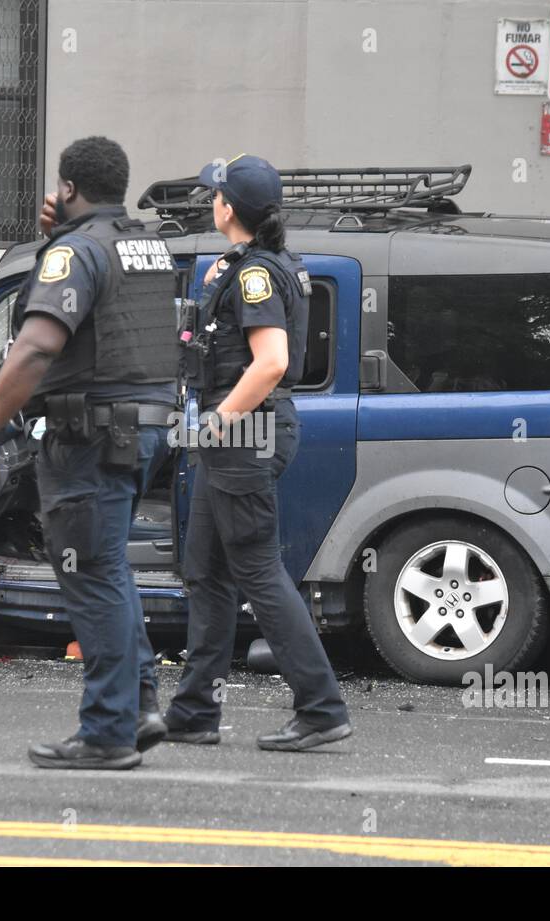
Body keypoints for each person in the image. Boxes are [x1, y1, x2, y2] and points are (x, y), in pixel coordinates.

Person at [0, 136, 178, 770]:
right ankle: (137, 706)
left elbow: (34, 349)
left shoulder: (74, 253)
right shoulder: (143, 246)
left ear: (69, 188)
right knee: (108, 570)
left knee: (90, 576)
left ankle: (108, 733)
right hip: (137, 434)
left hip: (88, 438)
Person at [164, 154, 352, 751]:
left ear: (229, 208)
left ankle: (321, 709)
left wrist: (220, 420)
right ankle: (195, 711)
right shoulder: (245, 266)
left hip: (243, 433)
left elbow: (270, 362)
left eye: (213, 194)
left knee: (258, 572)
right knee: (207, 574)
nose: (207, 202)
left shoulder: (256, 276)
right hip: (232, 437)